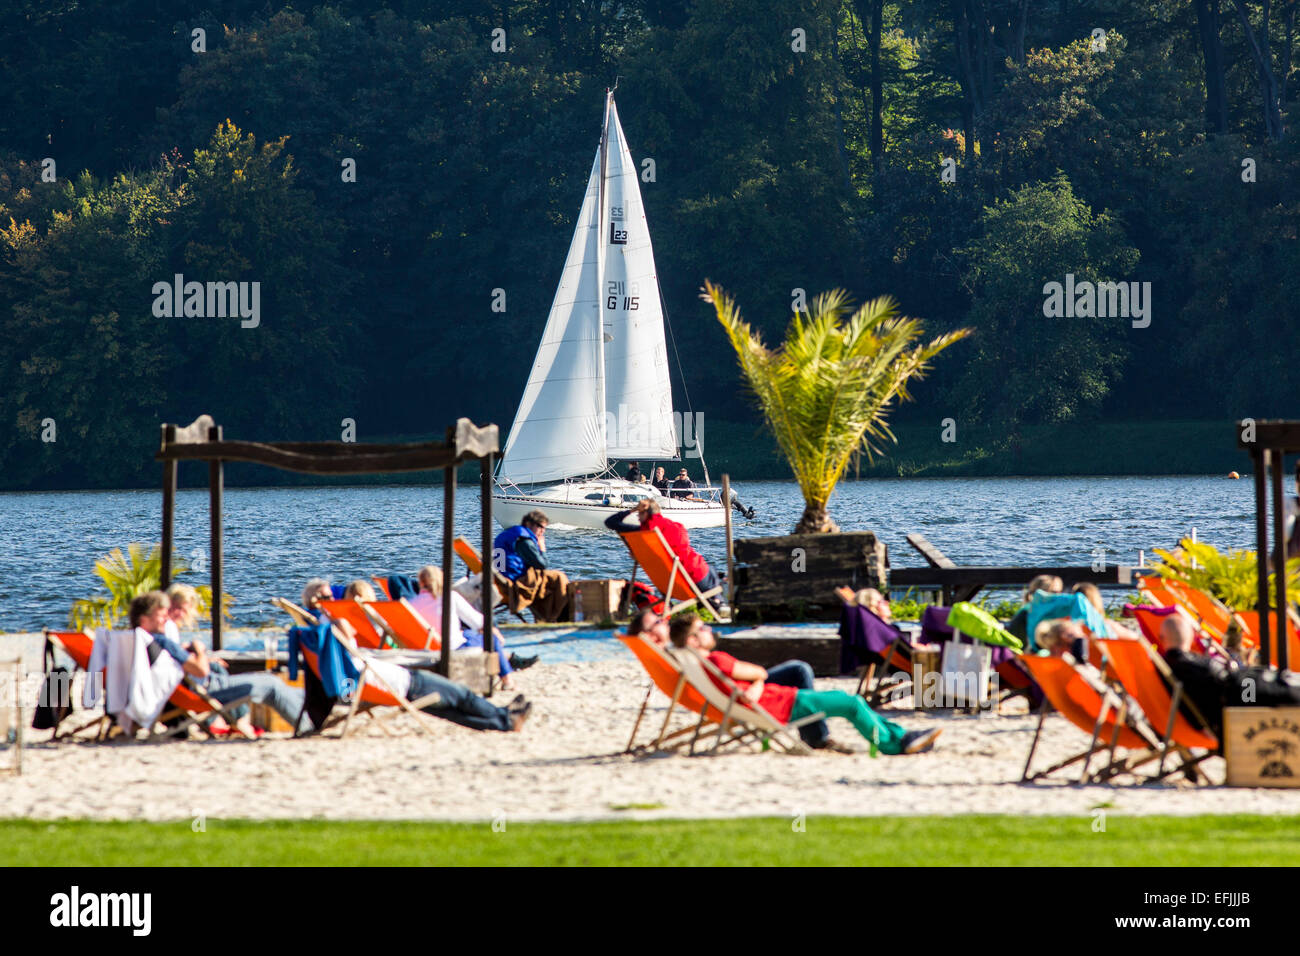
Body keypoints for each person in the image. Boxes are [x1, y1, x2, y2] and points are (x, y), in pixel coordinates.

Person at [669, 613, 940, 754]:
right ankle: (895, 744)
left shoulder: (698, 665)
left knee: (851, 703)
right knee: (853, 703)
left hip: (775, 703)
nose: (710, 631)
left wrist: (756, 685)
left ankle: (901, 736)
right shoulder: (717, 660)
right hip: (782, 705)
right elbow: (759, 673)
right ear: (692, 641)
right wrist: (758, 683)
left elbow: (751, 685)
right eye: (703, 629)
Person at [299, 580, 532, 732]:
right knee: (460, 694)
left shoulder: (325, 647)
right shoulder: (336, 634)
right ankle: (504, 716)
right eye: (328, 598)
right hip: (400, 682)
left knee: (448, 709)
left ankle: (504, 720)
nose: (334, 601)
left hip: (394, 682)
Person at [134, 590, 309, 737]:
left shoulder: (139, 640)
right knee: (272, 684)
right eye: (161, 615)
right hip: (204, 689)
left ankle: (312, 716)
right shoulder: (161, 641)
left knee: (289, 690)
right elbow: (201, 671)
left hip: (188, 689)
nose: (166, 619)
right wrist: (199, 649)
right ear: (145, 617)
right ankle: (308, 727)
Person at [1159, 614, 1300, 737]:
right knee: (1285, 690)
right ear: (1190, 636)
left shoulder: (1166, 666)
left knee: (1279, 684)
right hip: (1243, 699)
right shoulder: (1189, 664)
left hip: (1241, 694)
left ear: (1161, 638)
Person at [408, 566, 537, 690]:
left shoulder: (412, 603)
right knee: (490, 638)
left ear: (420, 582)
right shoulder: (450, 597)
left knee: (468, 633)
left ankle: (510, 659)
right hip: (452, 648)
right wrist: (494, 631)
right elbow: (478, 621)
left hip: (424, 649)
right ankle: (507, 679)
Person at [604, 498, 725, 613]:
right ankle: (718, 603)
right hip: (693, 577)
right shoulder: (675, 527)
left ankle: (715, 603)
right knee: (713, 572)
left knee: (712, 572)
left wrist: (633, 509)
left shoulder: (642, 533)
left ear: (646, 514)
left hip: (670, 582)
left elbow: (610, 522)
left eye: (639, 514)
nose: (638, 517)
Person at [493, 510, 570, 622]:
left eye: (544, 528)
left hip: (500, 579)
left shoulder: (507, 535)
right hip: (513, 581)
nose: (542, 532)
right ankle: (558, 618)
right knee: (559, 577)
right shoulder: (523, 539)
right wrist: (542, 548)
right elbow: (542, 564)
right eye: (540, 527)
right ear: (529, 524)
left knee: (548, 582)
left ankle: (547, 617)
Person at [1006, 574, 1064, 650]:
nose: (1059, 596)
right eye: (1054, 592)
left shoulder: (1057, 613)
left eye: (1060, 592)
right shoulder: (1025, 614)